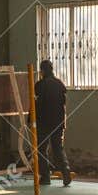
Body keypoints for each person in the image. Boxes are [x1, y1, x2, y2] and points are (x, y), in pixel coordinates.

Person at [33, 59, 72, 187]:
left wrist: (31, 119)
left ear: (42, 71)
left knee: (41, 149)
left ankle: (45, 177)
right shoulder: (60, 84)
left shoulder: (39, 85)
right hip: (58, 121)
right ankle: (66, 172)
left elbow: (36, 104)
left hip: (43, 122)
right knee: (58, 148)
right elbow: (63, 103)